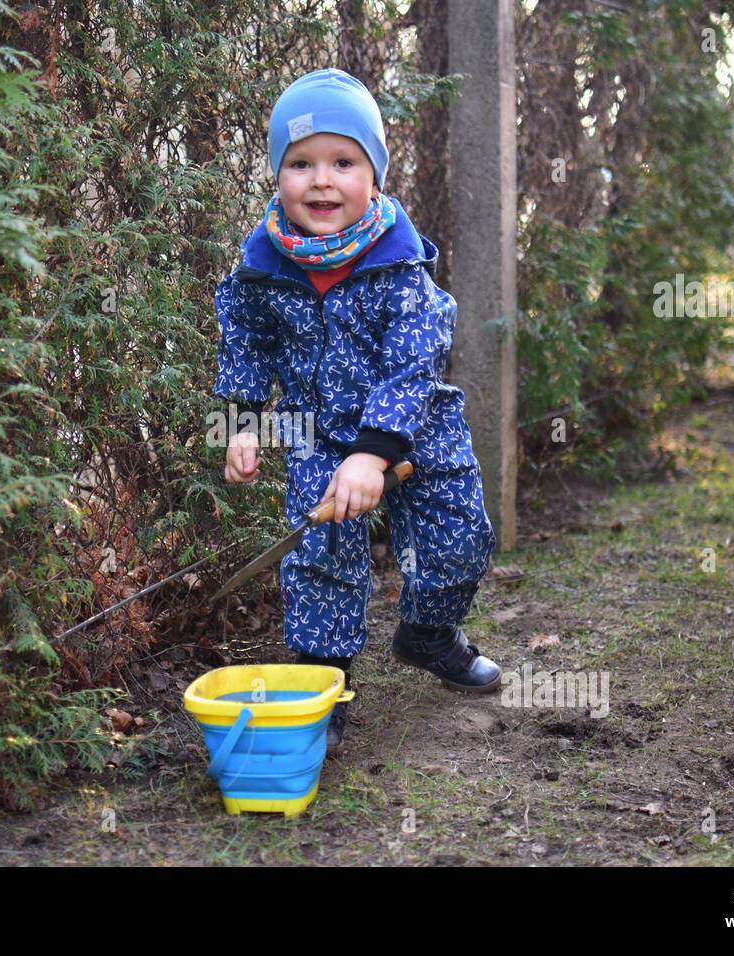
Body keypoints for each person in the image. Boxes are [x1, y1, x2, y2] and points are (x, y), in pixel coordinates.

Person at [214, 68, 501, 752]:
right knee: (321, 560)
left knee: (459, 538)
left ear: (372, 174)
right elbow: (245, 343)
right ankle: (323, 687)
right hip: (318, 432)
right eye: (300, 163)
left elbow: (414, 359)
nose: (321, 181)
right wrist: (244, 424)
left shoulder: (398, 264)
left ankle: (428, 633)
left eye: (343, 162)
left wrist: (375, 454)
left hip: (416, 426)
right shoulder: (262, 267)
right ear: (277, 175)